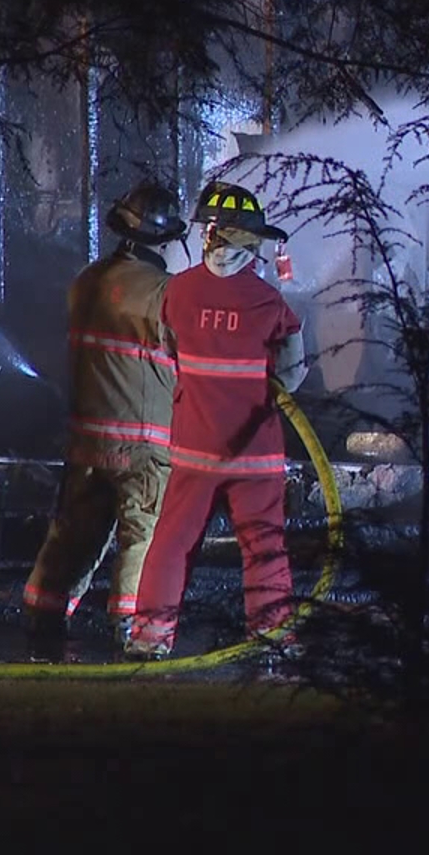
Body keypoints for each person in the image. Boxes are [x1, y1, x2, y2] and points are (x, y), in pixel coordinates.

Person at [126, 181, 308, 661]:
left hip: (192, 449)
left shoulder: (178, 292)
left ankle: (149, 636)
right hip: (254, 453)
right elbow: (293, 374)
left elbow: (169, 349)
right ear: (246, 240)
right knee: (264, 545)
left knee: (172, 541)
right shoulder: (269, 302)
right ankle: (271, 637)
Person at [22, 180, 189, 651]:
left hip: (87, 438)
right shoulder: (165, 294)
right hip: (144, 443)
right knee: (143, 536)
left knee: (74, 531)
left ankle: (42, 615)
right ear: (164, 240)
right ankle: (136, 632)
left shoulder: (86, 281)